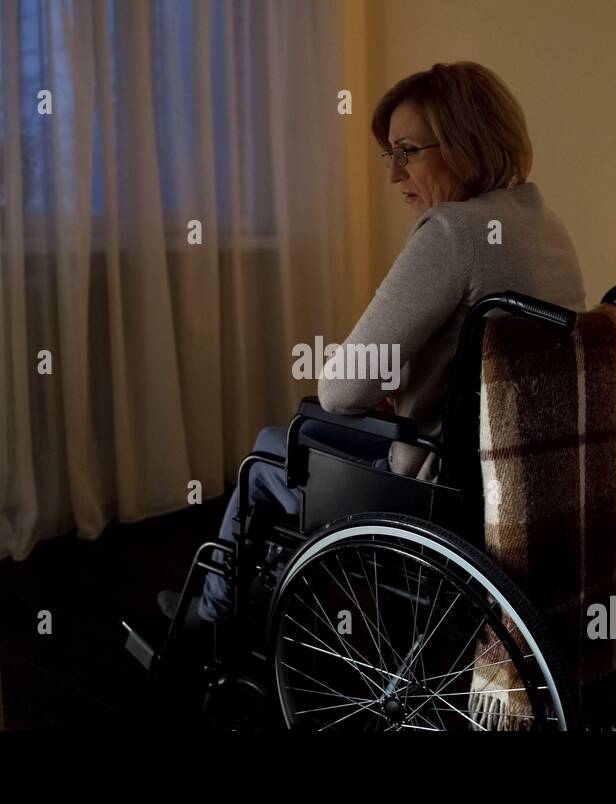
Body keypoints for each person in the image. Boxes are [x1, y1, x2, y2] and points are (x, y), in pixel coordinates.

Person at [160, 61, 586, 627]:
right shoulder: (543, 222)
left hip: (444, 488)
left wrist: (378, 392)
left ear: (465, 143)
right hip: (530, 467)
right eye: (393, 154)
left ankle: (213, 617)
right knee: (318, 435)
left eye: (408, 151)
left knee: (275, 446)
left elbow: (341, 390)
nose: (394, 175)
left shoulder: (452, 233)